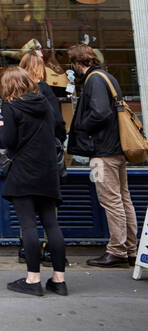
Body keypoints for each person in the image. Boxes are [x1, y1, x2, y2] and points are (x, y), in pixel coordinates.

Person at [0, 67, 67, 296]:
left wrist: (1, 128)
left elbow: (8, 141)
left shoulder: (11, 105)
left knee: (28, 225)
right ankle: (59, 279)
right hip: (47, 172)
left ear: (8, 85)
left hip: (23, 172)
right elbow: (57, 130)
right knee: (51, 225)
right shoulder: (44, 103)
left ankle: (32, 280)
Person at [67, 44, 138, 267]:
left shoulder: (94, 80)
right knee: (123, 199)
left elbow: (100, 113)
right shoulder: (107, 76)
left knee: (111, 200)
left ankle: (117, 250)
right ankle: (130, 249)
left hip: (102, 151)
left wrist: (80, 127)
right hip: (116, 148)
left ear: (78, 63)